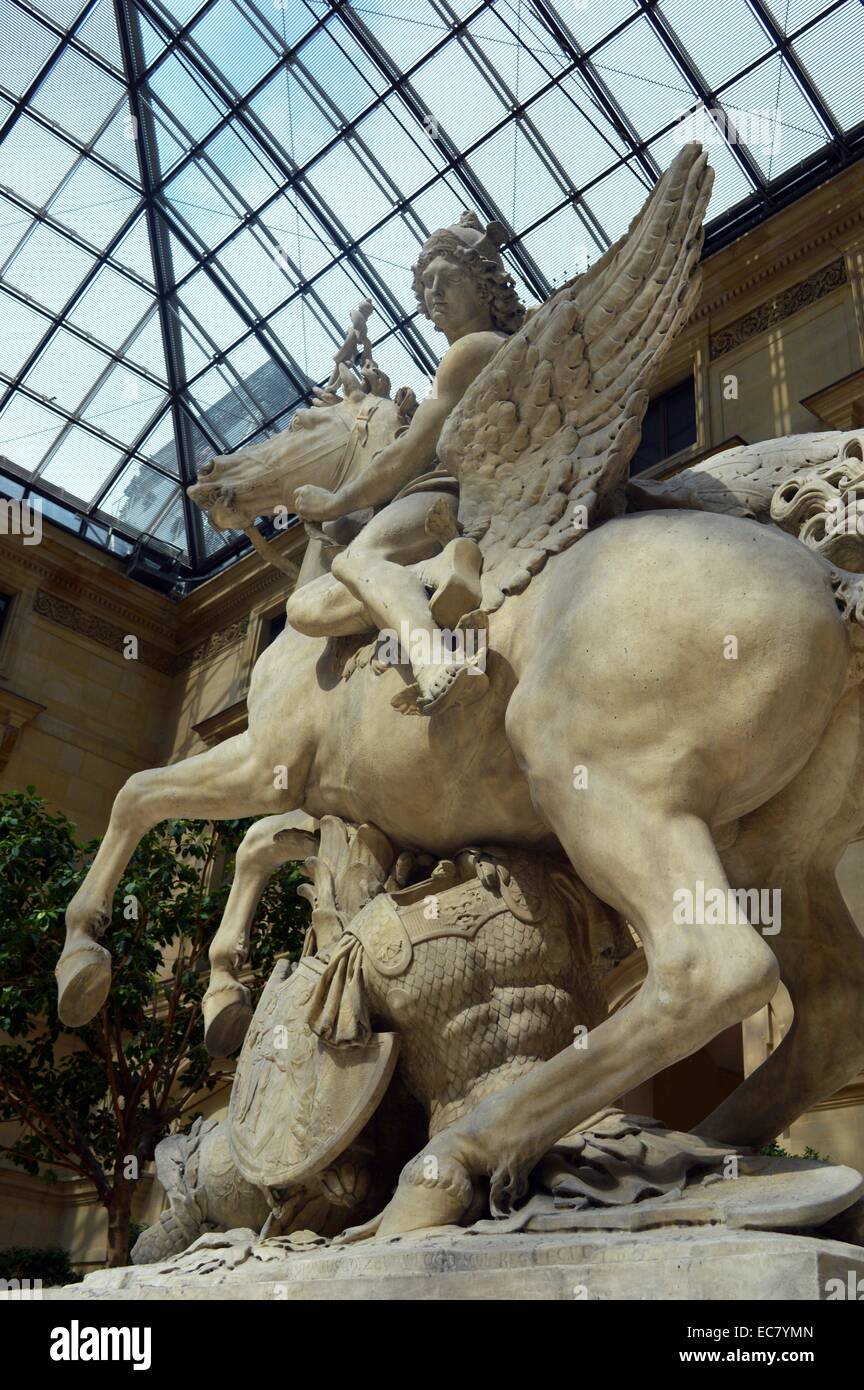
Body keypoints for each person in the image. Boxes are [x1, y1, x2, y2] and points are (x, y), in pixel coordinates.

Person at [289, 213, 525, 715]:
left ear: (485, 288)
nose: (434, 293)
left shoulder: (472, 351)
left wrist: (335, 500)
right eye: (426, 285)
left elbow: (406, 455)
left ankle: (431, 659)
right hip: (471, 493)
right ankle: (433, 570)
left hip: (447, 496)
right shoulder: (498, 352)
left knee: (351, 563)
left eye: (450, 279)